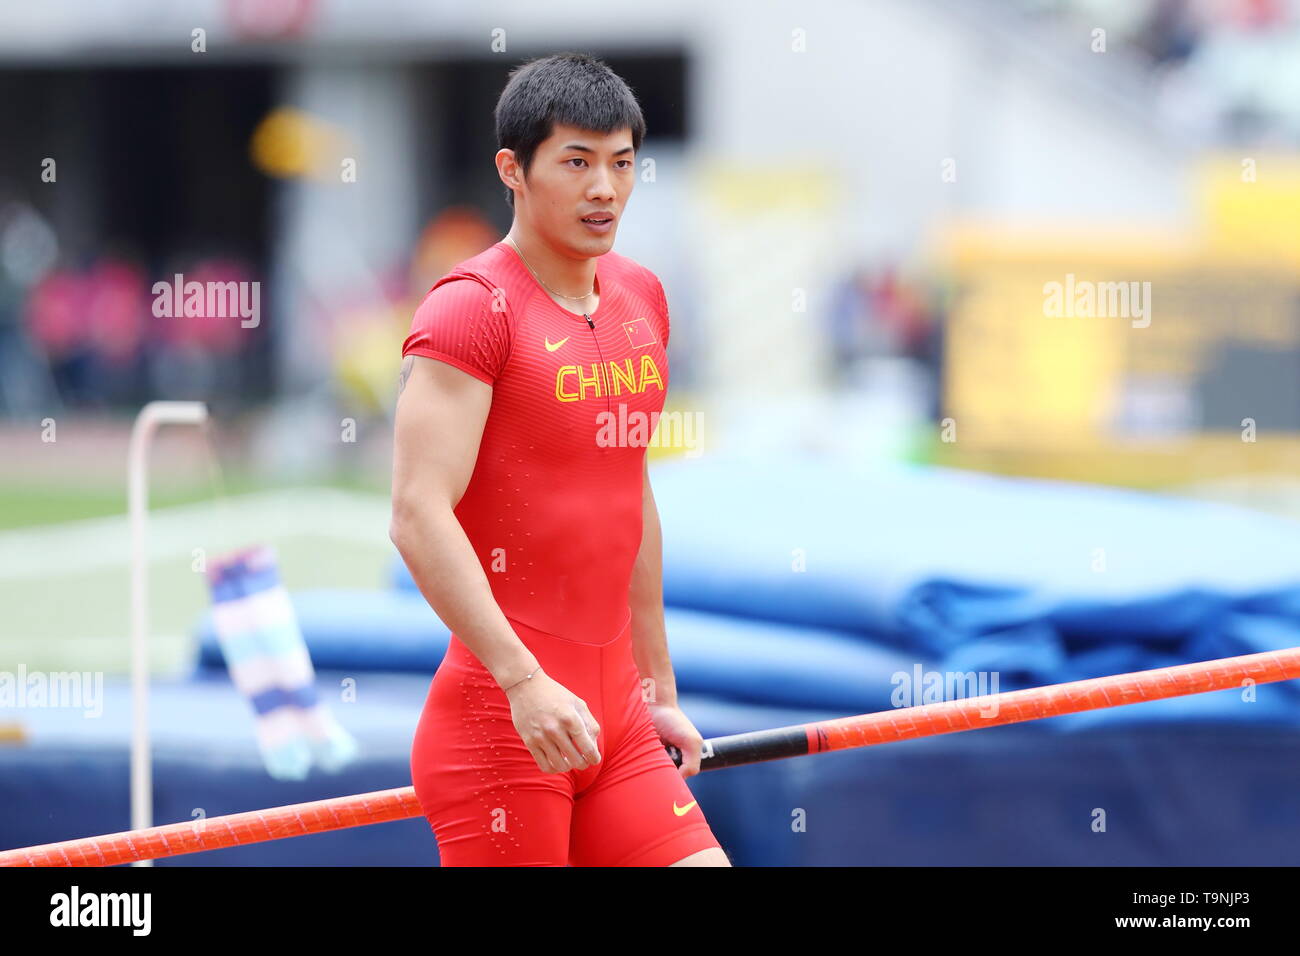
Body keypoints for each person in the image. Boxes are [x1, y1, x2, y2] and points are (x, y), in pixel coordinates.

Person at [390, 52, 729, 867]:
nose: (604, 189)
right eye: (576, 163)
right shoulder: (472, 309)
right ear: (513, 169)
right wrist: (522, 681)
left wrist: (659, 691)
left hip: (618, 722)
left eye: (621, 164)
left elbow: (629, 495)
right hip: (502, 725)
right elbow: (415, 515)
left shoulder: (642, 295)